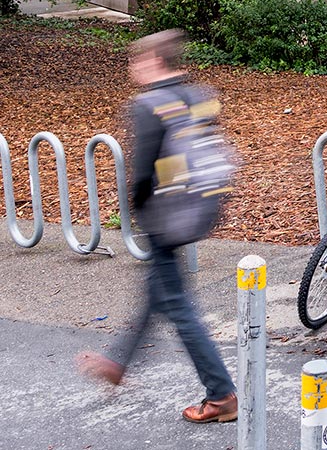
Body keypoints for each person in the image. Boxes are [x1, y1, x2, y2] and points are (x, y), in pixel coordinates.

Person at [78, 28, 238, 424]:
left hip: (166, 214)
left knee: (178, 304)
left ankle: (221, 394)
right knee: (159, 289)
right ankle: (119, 362)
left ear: (154, 62)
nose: (134, 68)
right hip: (201, 206)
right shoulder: (199, 95)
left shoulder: (147, 105)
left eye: (137, 60)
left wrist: (138, 212)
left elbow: (141, 174)